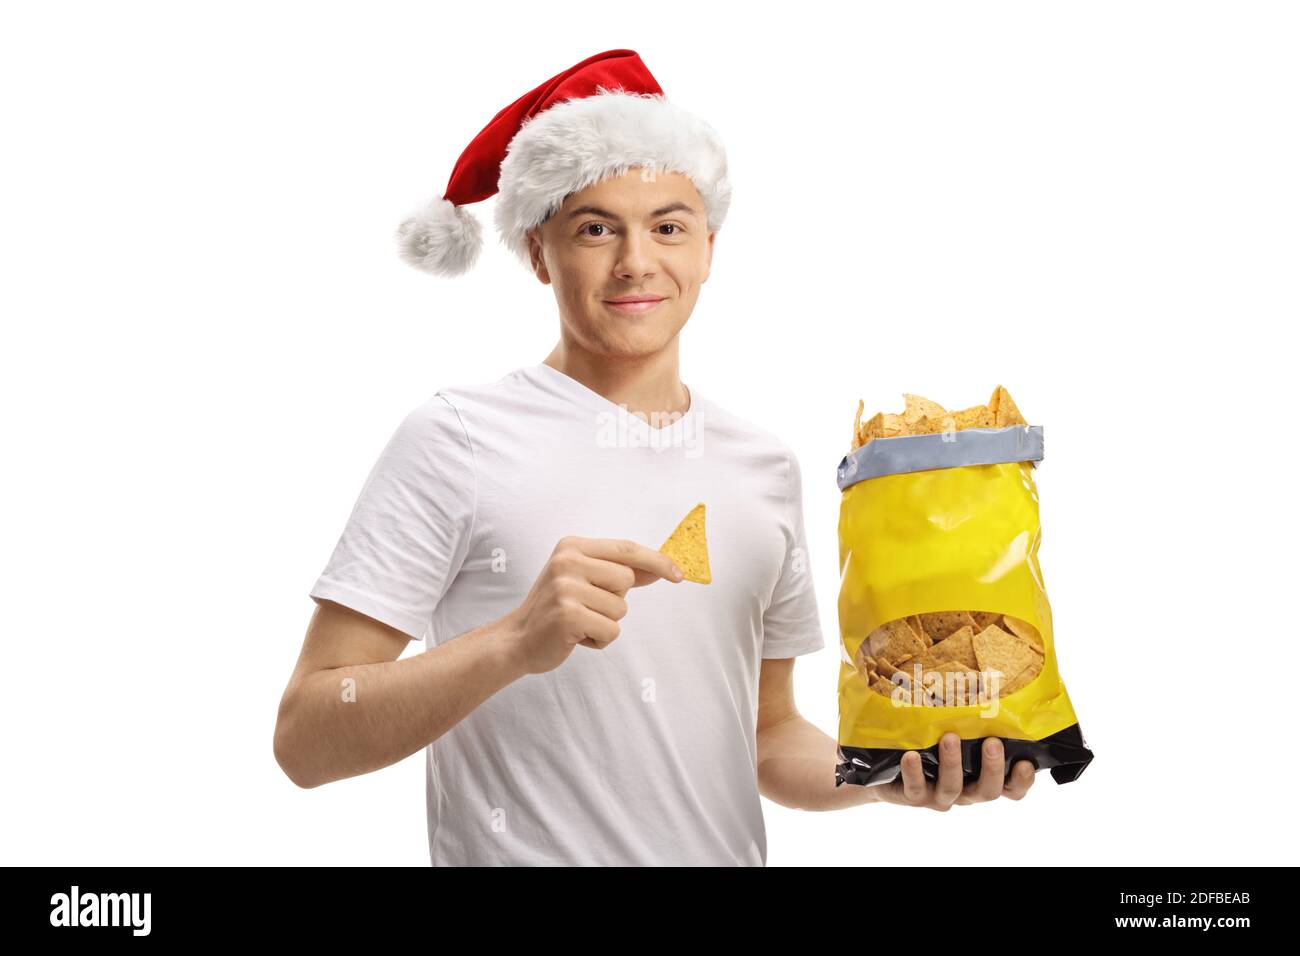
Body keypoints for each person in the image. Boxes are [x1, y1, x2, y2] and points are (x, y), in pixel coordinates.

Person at [272, 49, 1035, 867]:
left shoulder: (763, 466)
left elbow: (767, 734)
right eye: (595, 228)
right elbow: (307, 740)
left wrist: (879, 776)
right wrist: (513, 643)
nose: (636, 261)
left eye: (667, 227)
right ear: (538, 254)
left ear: (707, 248)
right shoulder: (455, 437)